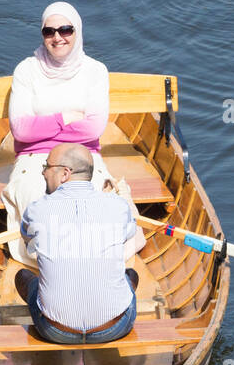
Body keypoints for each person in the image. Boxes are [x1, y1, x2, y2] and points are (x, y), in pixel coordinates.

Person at [2, 1, 116, 265]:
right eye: (49, 31)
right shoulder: (26, 70)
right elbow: (19, 129)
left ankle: (89, 258)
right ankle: (49, 260)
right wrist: (65, 118)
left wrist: (41, 128)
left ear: (77, 31)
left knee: (95, 205)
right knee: (34, 200)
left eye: (65, 29)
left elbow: (94, 127)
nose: (57, 37)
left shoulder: (95, 71)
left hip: (83, 155)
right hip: (35, 157)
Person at [15, 143, 144, 344]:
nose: (43, 173)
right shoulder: (118, 205)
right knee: (131, 275)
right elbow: (128, 235)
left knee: (23, 277)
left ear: (65, 173)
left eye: (47, 167)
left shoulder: (36, 209)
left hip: (55, 331)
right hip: (115, 327)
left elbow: (27, 241)